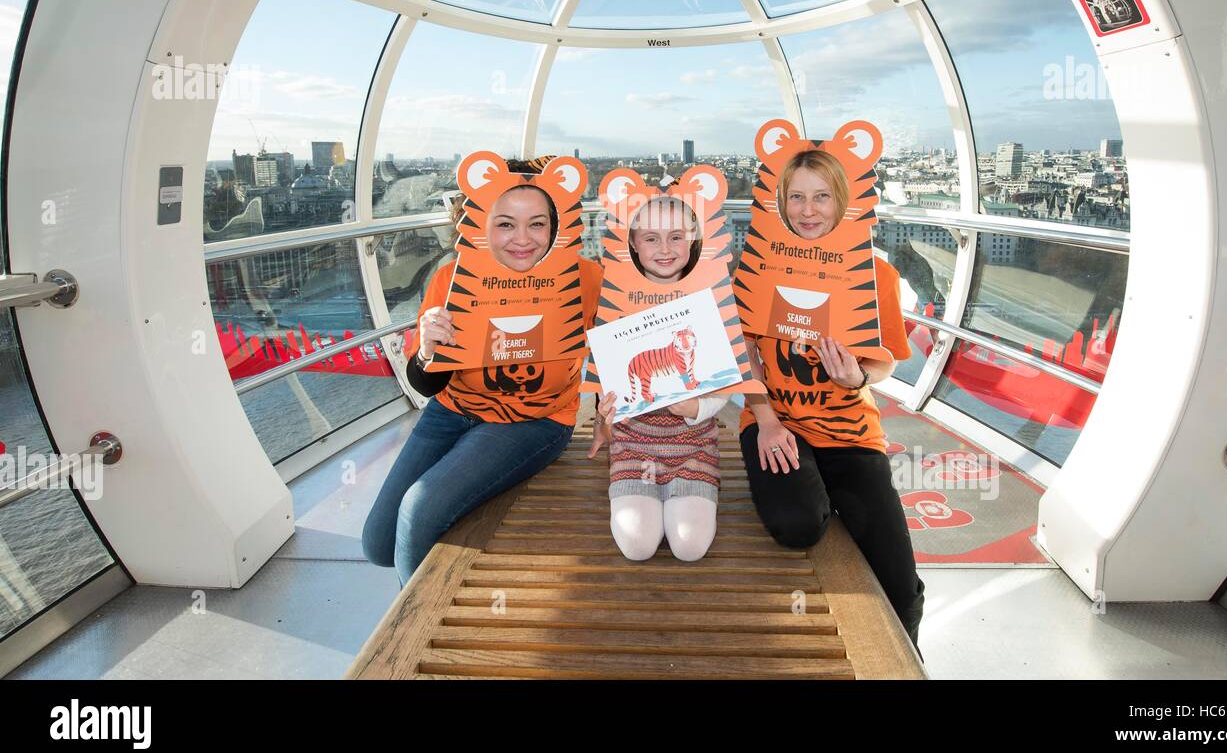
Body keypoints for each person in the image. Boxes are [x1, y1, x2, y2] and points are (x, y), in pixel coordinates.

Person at [361, 159, 602, 585]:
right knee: (377, 543)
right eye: (506, 224)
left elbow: (625, 338)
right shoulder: (451, 279)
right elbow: (426, 382)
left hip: (534, 420)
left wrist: (606, 412)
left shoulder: (584, 278)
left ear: (556, 226)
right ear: (479, 224)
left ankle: (411, 633)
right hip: (451, 411)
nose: (523, 240)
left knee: (419, 508)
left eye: (537, 224)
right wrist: (428, 349)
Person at [740, 148, 925, 653]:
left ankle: (906, 658)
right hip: (777, 422)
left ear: (844, 201)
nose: (808, 210)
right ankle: (816, 488)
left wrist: (856, 376)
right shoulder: (758, 268)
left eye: (822, 196)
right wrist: (767, 420)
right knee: (797, 527)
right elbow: (746, 353)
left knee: (898, 578)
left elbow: (887, 361)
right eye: (796, 196)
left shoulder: (876, 275)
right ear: (780, 202)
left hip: (850, 429)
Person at [590, 196, 730, 562]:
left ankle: (691, 488)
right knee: (637, 547)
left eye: (676, 237)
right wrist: (603, 414)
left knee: (689, 547)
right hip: (633, 445)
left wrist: (698, 406)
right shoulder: (614, 298)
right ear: (633, 242)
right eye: (651, 238)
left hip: (694, 444)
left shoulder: (712, 296)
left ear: (694, 238)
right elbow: (605, 376)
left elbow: (725, 379)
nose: (664, 249)